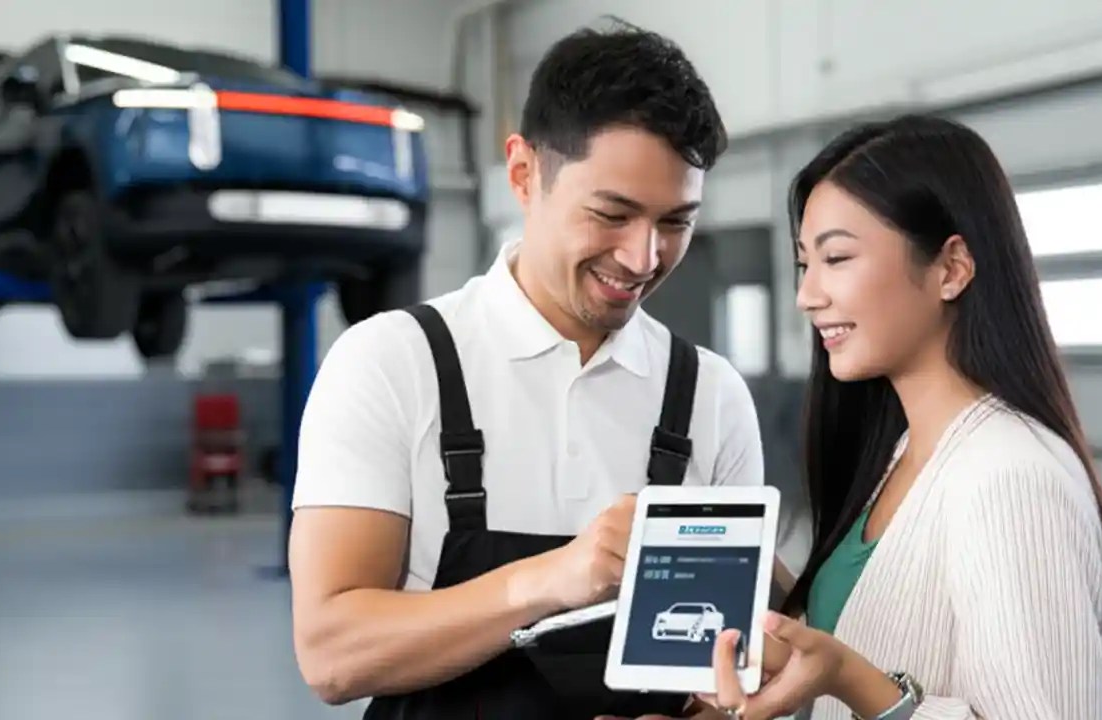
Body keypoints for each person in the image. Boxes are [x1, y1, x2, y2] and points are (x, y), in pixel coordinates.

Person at [286, 21, 767, 720]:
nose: (642, 258)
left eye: (675, 223)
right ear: (522, 173)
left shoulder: (710, 397)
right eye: (612, 213)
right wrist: (553, 578)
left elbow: (730, 670)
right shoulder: (392, 363)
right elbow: (331, 656)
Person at [690, 114, 1102, 720]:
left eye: (837, 257)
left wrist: (851, 678)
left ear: (951, 268)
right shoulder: (901, 454)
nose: (807, 295)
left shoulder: (1011, 474)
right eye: (804, 264)